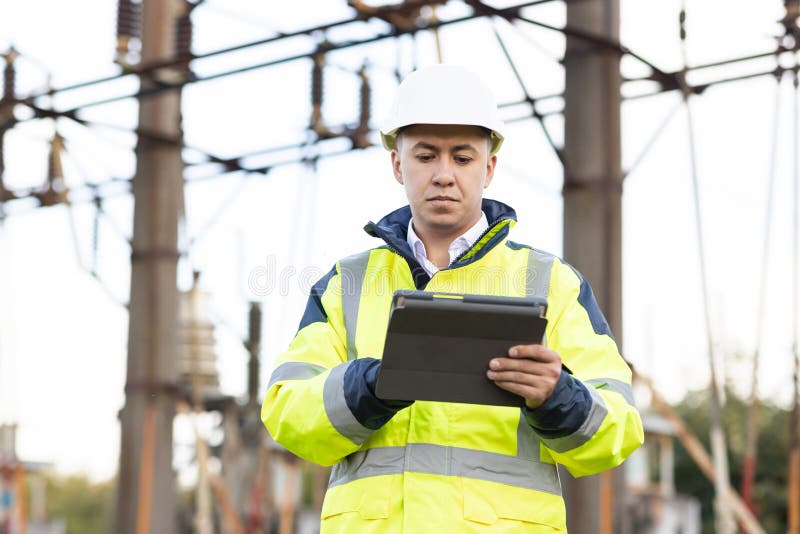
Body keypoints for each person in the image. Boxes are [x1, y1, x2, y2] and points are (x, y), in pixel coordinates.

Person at [261, 64, 643, 532]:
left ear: (490, 167)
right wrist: (373, 386)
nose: (444, 174)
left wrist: (556, 396)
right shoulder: (347, 283)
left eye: (462, 158)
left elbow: (619, 428)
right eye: (426, 156)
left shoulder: (551, 283)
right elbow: (287, 413)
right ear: (398, 164)